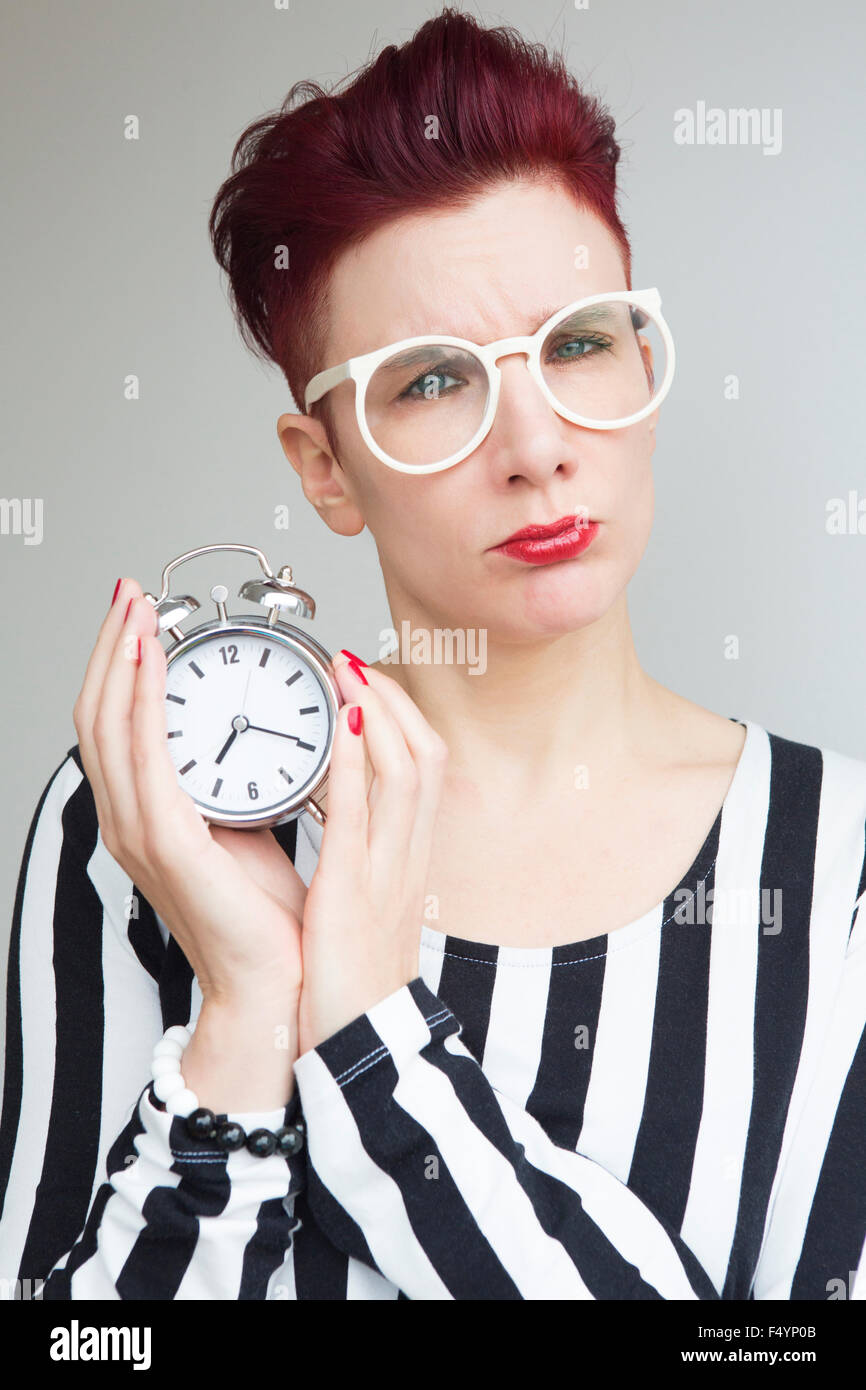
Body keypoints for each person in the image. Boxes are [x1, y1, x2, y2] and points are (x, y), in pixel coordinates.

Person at [1, 8, 864, 1302]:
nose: (534, 443)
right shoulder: (148, 822)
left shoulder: (839, 872)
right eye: (431, 381)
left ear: (640, 356)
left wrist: (366, 1034)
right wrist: (244, 1007)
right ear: (324, 470)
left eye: (578, 341)